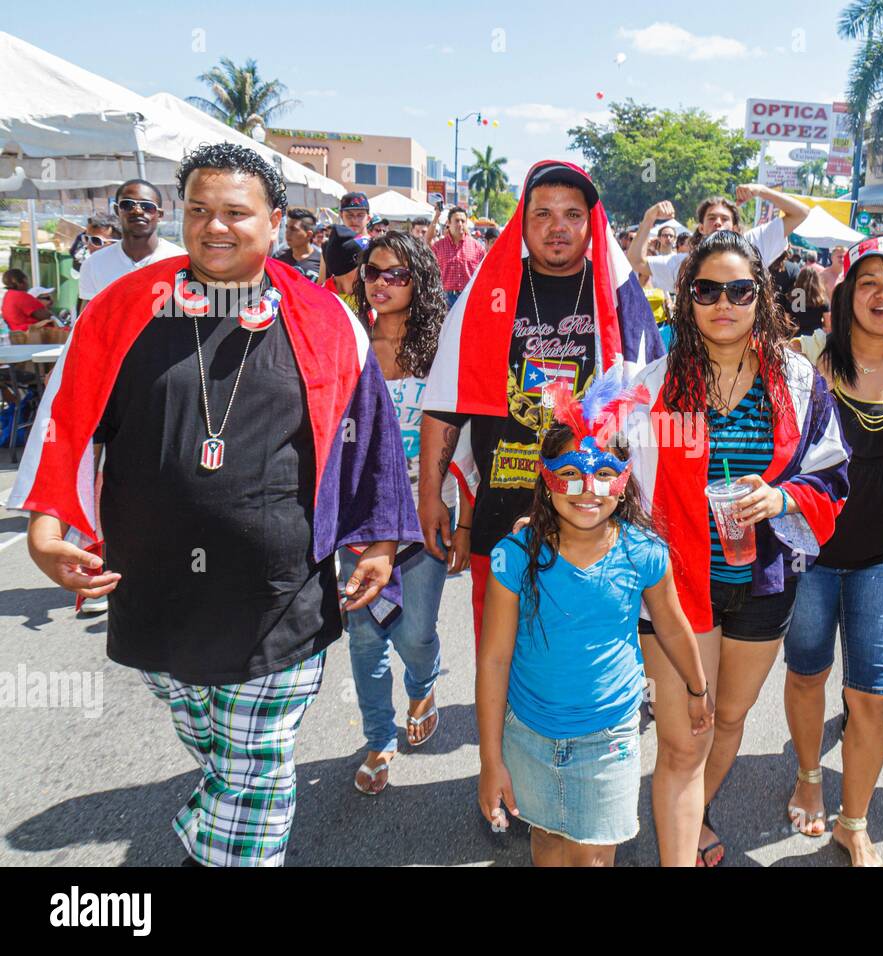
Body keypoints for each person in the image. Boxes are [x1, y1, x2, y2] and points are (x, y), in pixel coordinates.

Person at [9, 142, 420, 866]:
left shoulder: (327, 321)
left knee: (256, 769)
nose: (215, 227)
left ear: (275, 221)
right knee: (213, 747)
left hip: (279, 597)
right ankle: (215, 813)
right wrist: (47, 527)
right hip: (155, 593)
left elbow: (372, 441)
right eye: (199, 210)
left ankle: (229, 841)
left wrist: (379, 541)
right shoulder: (121, 311)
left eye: (236, 212)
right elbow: (67, 423)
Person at [627, 229, 850, 867]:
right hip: (676, 584)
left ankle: (693, 814)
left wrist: (781, 499)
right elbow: (615, 476)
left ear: (761, 297)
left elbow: (832, 473)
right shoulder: (655, 383)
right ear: (687, 299)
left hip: (763, 580)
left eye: (740, 290)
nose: (723, 302)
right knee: (682, 740)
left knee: (727, 719)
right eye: (706, 290)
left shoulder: (798, 380)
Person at [419, 161, 662, 643]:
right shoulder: (486, 294)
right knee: (499, 654)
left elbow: (650, 402)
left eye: (573, 214)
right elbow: (446, 402)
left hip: (594, 514)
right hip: (502, 514)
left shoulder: (616, 297)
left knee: (582, 650)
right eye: (543, 213)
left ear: (591, 223)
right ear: (522, 222)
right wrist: (430, 495)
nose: (557, 227)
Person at [477, 376, 713, 866]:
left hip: (609, 741)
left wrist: (696, 689)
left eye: (605, 472)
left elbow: (670, 625)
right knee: (546, 842)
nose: (589, 490)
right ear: (546, 477)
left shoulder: (644, 552)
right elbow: (495, 660)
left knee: (593, 856)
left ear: (624, 480)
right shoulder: (513, 558)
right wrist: (489, 757)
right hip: (530, 735)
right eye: (570, 473)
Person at [782, 237, 883, 866]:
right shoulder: (810, 361)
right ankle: (806, 775)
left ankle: (855, 821)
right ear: (847, 291)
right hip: (809, 551)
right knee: (806, 674)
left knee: (873, 696)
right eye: (870, 281)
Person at [348, 231, 465, 794]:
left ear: (418, 280)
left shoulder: (443, 346)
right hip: (359, 517)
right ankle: (378, 738)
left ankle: (422, 683)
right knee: (364, 635)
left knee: (416, 632)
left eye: (396, 274)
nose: (382, 283)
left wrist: (463, 516)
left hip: (428, 511)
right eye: (373, 272)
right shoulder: (347, 341)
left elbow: (465, 435)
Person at [627, 187, 811, 292]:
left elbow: (800, 213)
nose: (718, 223)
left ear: (736, 229)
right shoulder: (684, 263)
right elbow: (637, 262)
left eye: (724, 219)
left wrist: (761, 191)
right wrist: (649, 217)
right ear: (701, 227)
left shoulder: (754, 244)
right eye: (711, 218)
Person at [77, 179, 184, 308]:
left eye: (148, 207)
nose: (137, 210)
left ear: (159, 214)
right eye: (127, 205)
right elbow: (87, 320)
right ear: (117, 210)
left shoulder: (180, 262)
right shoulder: (94, 264)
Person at [430, 206, 486, 306]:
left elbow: (484, 274)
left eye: (463, 221)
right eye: (456, 220)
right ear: (449, 223)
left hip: (469, 297)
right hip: (445, 298)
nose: (460, 224)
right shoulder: (438, 247)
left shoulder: (478, 247)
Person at [320, 192, 371, 294]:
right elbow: (322, 280)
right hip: (335, 302)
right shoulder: (329, 245)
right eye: (349, 215)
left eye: (360, 215)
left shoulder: (375, 246)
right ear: (341, 216)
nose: (354, 220)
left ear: (368, 218)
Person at [1, 269, 56, 334]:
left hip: (19, 335)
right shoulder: (21, 296)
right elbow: (44, 316)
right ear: (24, 280)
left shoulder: (8, 296)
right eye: (47, 298)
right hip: (34, 336)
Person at [273, 207, 321, 281]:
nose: (287, 232)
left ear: (309, 235)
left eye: (293, 229)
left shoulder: (321, 262)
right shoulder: (278, 257)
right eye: (287, 228)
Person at [788, 264, 829, 336]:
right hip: (816, 338)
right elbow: (828, 324)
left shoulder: (792, 299)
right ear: (817, 282)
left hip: (797, 338)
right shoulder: (822, 301)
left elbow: (788, 321)